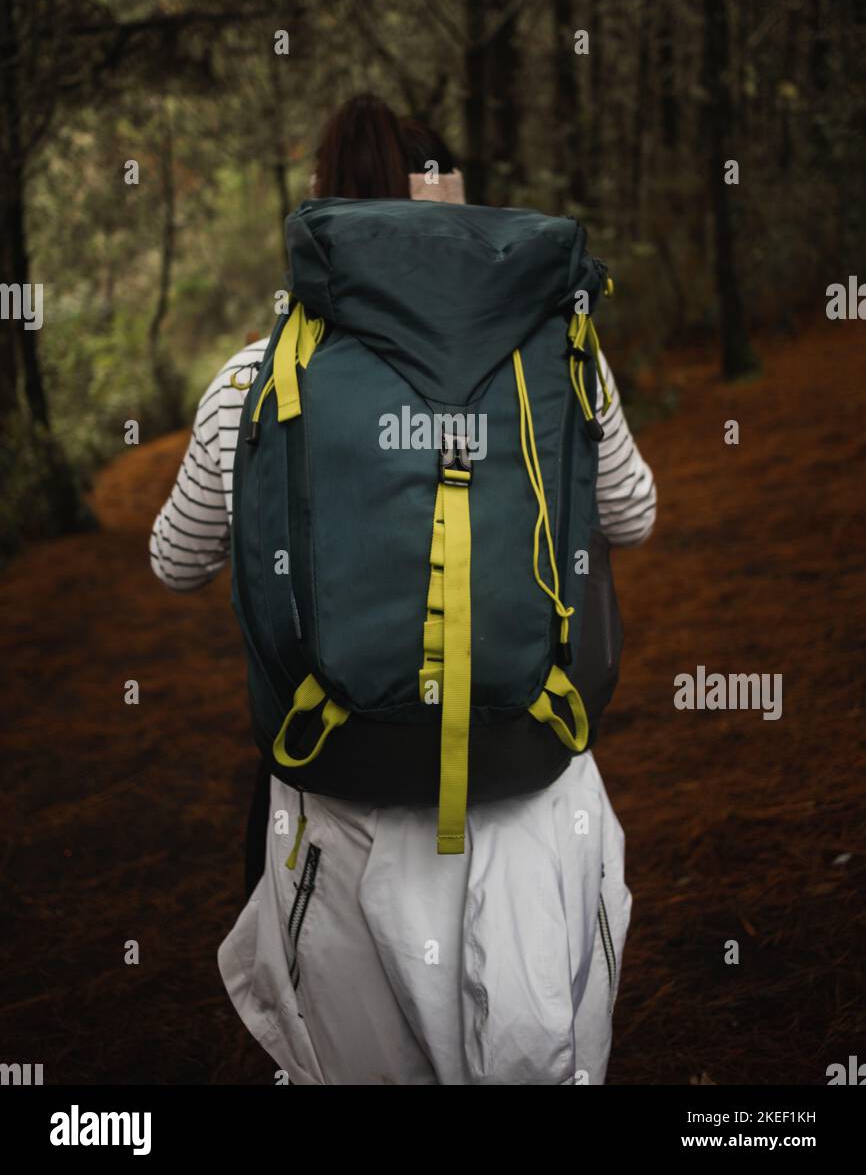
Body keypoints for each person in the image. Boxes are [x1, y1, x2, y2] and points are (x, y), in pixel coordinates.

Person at [150, 93, 656, 1085]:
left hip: (341, 804)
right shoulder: (559, 359)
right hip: (533, 799)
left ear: (320, 217)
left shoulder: (252, 379)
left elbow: (177, 561)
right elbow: (631, 515)